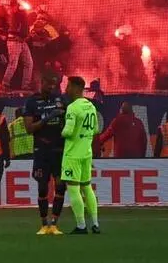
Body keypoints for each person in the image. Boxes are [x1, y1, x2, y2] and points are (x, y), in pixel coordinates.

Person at [24, 71, 68, 235]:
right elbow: (29, 129)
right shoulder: (32, 102)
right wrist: (47, 118)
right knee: (42, 188)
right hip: (41, 150)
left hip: (59, 149)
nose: (51, 87)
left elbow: (69, 120)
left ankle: (55, 224)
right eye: (49, 84)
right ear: (41, 82)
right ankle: (43, 224)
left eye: (54, 84)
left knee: (60, 185)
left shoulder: (61, 100)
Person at [61, 76, 101, 235]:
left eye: (69, 86)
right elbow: (96, 129)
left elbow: (68, 132)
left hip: (73, 154)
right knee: (87, 187)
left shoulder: (73, 108)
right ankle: (96, 224)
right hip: (87, 153)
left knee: (73, 189)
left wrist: (60, 130)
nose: (66, 89)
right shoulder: (90, 106)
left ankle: (81, 225)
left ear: (76, 88)